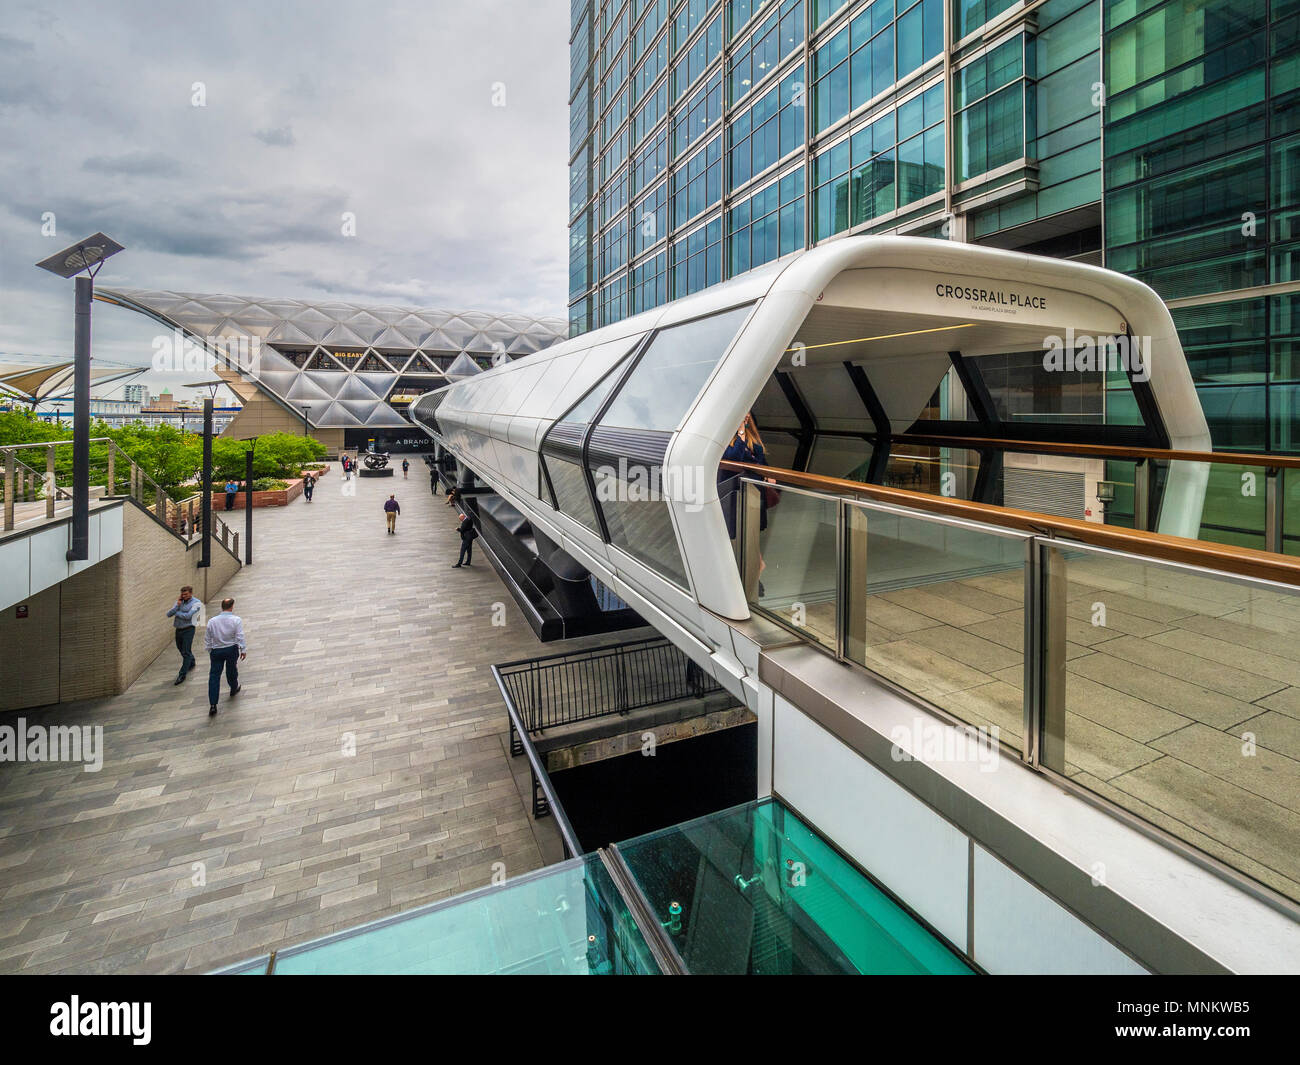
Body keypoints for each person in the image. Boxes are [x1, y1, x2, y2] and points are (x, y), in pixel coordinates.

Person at [204, 597, 245, 716]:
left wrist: (209, 649)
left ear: (222, 607)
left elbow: (208, 637)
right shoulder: (236, 620)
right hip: (231, 649)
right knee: (231, 670)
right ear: (232, 607)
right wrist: (243, 649)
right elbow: (240, 636)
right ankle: (233, 687)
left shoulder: (212, 621)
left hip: (216, 650)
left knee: (214, 676)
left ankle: (213, 704)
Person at [166, 585, 201, 685]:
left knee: (185, 652)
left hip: (189, 630)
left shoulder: (196, 603)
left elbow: (188, 616)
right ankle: (192, 661)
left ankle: (182, 674)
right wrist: (177, 606)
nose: (184, 596)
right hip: (178, 629)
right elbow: (168, 614)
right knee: (181, 649)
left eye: (186, 594)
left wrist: (177, 613)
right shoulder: (179, 602)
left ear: (190, 593)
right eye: (182, 594)